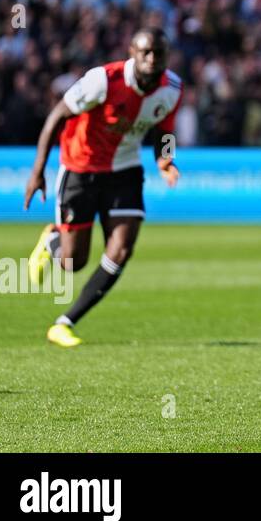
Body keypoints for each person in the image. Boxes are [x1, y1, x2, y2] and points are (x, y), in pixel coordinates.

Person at [24, 28, 183, 347]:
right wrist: (38, 171)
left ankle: (64, 322)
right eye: (145, 52)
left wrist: (165, 161)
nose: (152, 59)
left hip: (124, 171)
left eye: (158, 54)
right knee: (73, 262)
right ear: (132, 52)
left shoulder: (172, 89)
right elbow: (56, 116)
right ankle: (53, 240)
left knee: (122, 249)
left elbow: (164, 130)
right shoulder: (103, 80)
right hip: (80, 171)